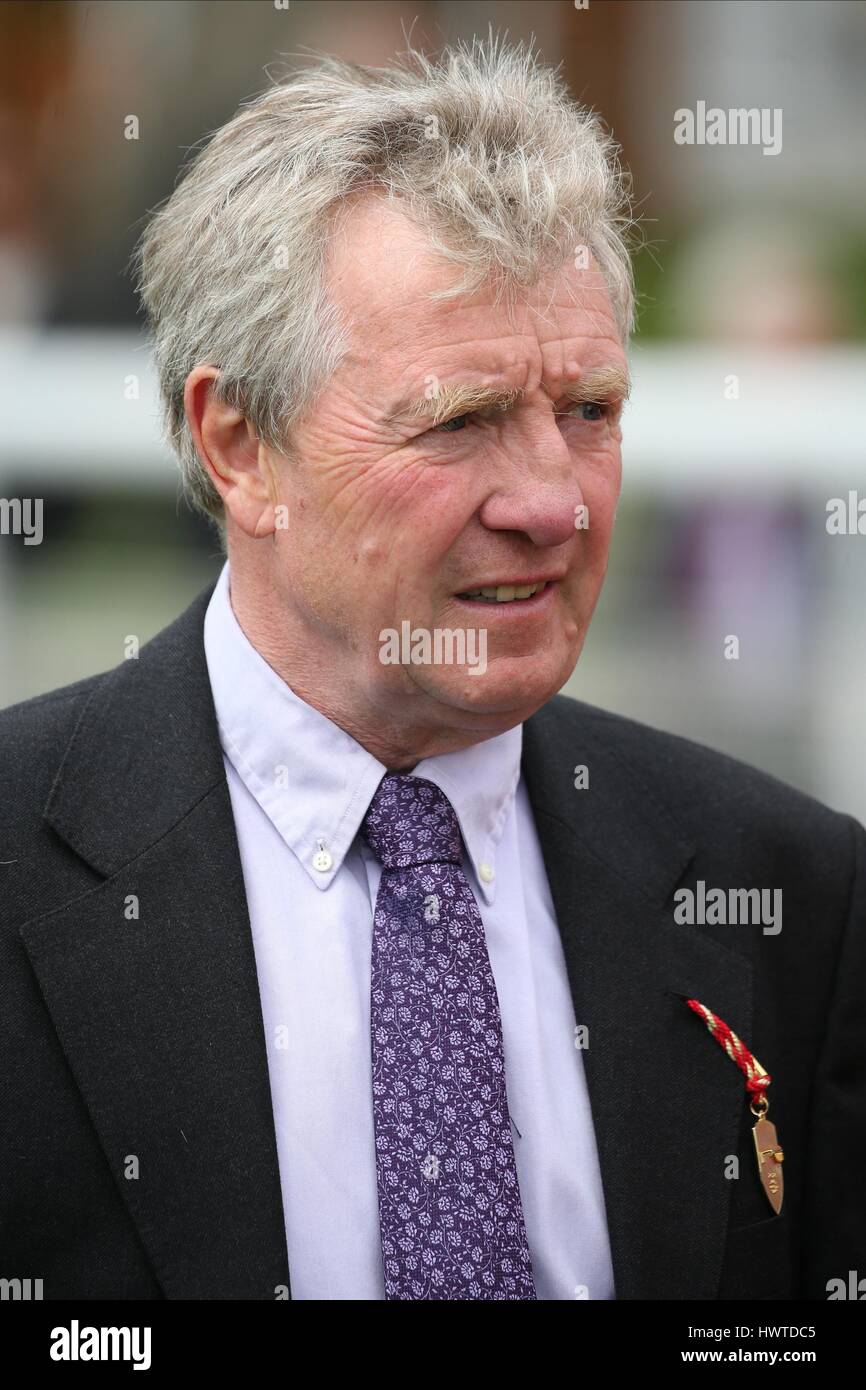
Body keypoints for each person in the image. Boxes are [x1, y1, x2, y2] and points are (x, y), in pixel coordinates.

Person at [1, 36, 863, 1301]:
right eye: (459, 420)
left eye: (588, 411)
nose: (553, 504)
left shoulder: (785, 889)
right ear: (238, 444)